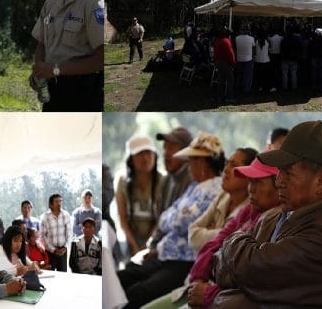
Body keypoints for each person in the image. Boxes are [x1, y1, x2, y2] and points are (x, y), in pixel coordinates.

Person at [213, 121, 322, 307]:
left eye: (287, 172)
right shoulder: (278, 216)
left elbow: (252, 270)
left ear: (321, 181)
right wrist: (241, 263)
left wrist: (232, 242)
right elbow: (221, 269)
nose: (278, 181)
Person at [143, 155, 280, 309]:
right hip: (208, 287)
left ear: (280, 184)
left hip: (220, 295)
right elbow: (211, 241)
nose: (251, 189)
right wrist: (198, 279)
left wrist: (209, 293)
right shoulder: (245, 210)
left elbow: (251, 281)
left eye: (258, 181)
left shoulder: (277, 224)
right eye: (250, 180)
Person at [118, 131, 225, 308]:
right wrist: (176, 216)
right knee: (122, 278)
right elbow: (166, 218)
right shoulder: (194, 187)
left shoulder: (215, 189)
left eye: (192, 160)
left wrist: (175, 217)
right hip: (167, 256)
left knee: (136, 293)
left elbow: (182, 223)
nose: (189, 165)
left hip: (184, 263)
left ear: (203, 163)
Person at [30, 0, 104, 111]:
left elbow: (102, 59)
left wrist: (55, 69)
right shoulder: (51, 2)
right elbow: (41, 42)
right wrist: (39, 70)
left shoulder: (94, 3)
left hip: (82, 96)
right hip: (52, 93)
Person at [187, 148, 255, 254]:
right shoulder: (223, 196)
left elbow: (232, 242)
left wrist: (208, 231)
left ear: (249, 174)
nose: (226, 169)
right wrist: (221, 233)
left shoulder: (252, 208)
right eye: (227, 163)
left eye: (234, 165)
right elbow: (193, 235)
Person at [117, 135, 162, 256]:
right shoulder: (122, 181)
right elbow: (122, 219)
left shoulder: (162, 181)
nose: (146, 158)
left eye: (149, 153)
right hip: (131, 239)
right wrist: (134, 246)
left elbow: (161, 219)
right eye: (140, 154)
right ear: (131, 159)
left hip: (156, 238)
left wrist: (147, 245)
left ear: (155, 156)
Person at [39, 193, 72, 271]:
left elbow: (69, 234)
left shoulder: (66, 215)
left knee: (63, 276)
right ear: (51, 204)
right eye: (56, 202)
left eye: (60, 201)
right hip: (50, 253)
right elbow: (42, 236)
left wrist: (65, 247)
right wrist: (53, 250)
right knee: (51, 276)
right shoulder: (45, 217)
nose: (59, 204)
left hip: (63, 252)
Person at [213, 28, 236, 103]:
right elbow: (230, 54)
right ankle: (229, 97)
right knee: (230, 79)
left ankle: (220, 97)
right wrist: (233, 63)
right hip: (224, 63)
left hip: (218, 62)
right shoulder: (226, 41)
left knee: (221, 80)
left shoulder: (217, 40)